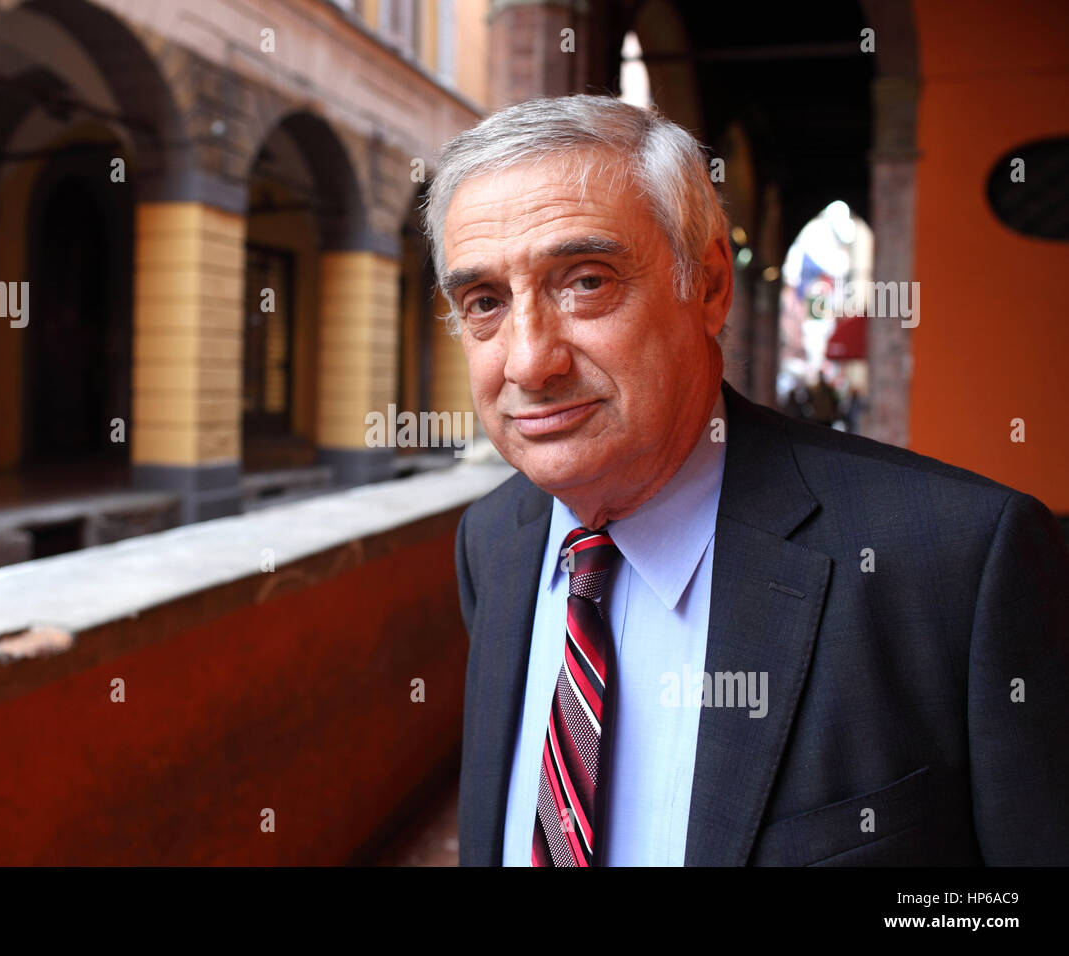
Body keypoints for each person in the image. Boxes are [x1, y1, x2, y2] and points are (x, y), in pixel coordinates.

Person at [423, 93, 1069, 866]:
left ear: (710, 286)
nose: (529, 362)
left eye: (586, 281)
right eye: (485, 301)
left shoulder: (961, 563)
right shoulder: (491, 542)